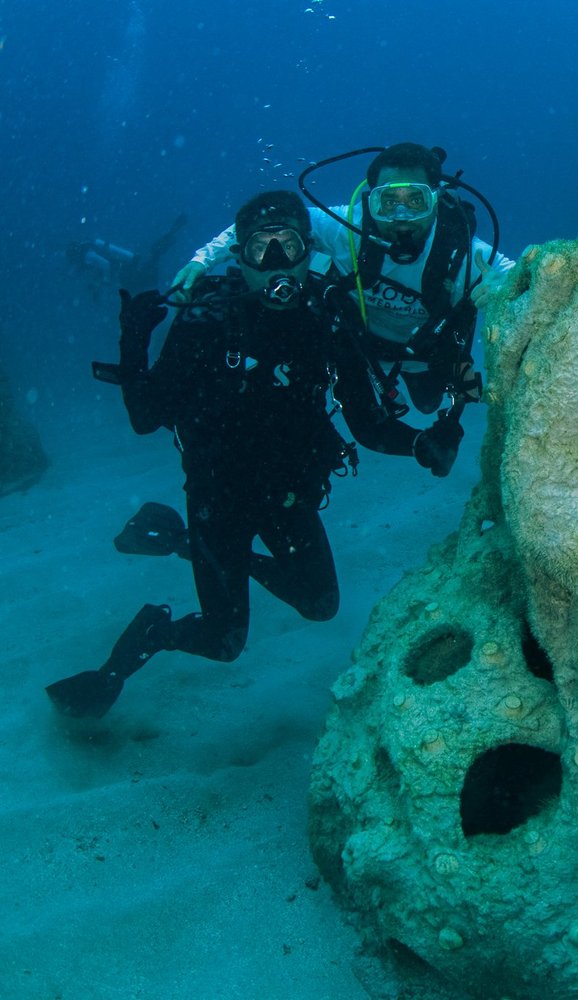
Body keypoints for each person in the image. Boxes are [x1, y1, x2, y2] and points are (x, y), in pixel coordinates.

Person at [46, 192, 462, 720]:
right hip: (217, 498)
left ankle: (185, 544)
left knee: (321, 604)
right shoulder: (207, 318)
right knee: (223, 642)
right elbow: (147, 418)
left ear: (309, 250)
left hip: (289, 494)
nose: (275, 262)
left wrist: (419, 443)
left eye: (288, 245)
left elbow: (368, 424)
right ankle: (154, 632)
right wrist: (134, 342)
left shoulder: (328, 316)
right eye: (260, 248)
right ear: (239, 257)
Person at [171, 143, 511, 417]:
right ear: (371, 200)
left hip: (423, 353)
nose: (401, 216)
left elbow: (520, 272)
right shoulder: (344, 227)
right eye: (388, 201)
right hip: (356, 348)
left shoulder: (465, 252)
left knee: (427, 404)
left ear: (435, 199)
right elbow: (264, 222)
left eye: (415, 200)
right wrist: (202, 260)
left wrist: (505, 287)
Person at [66, 212, 189, 300]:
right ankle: (171, 234)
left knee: (148, 275)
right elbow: (102, 266)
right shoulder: (90, 251)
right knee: (149, 271)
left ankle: (172, 234)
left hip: (124, 271)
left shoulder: (88, 256)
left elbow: (105, 264)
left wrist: (105, 283)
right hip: (125, 268)